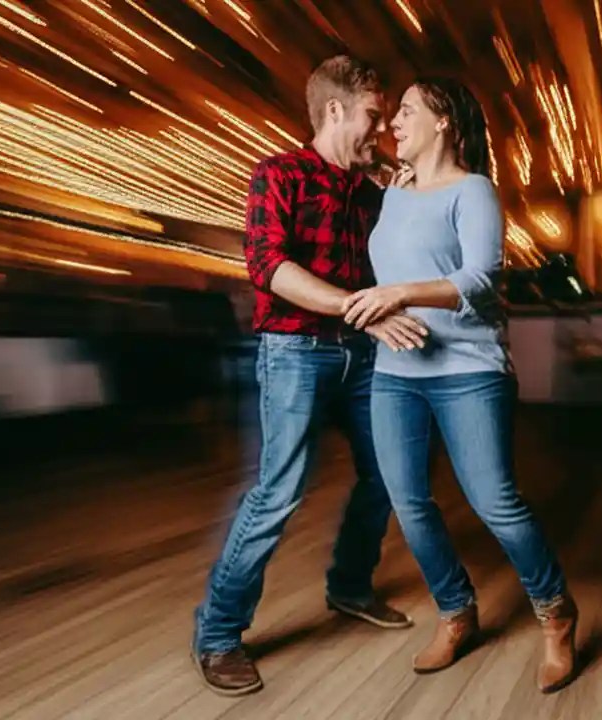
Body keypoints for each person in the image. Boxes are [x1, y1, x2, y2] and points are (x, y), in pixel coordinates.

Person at [192, 55, 430, 697]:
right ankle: (216, 634)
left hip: (363, 353)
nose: (380, 133)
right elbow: (270, 267)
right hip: (295, 350)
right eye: (374, 118)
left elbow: (413, 251)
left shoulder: (372, 191)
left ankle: (350, 585)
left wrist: (412, 188)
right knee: (280, 490)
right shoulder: (279, 174)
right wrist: (359, 309)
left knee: (387, 474)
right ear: (334, 111)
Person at [340, 78, 579, 693]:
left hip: (467, 371)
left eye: (409, 111)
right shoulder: (395, 191)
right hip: (396, 374)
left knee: (495, 500)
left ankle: (555, 613)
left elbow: (479, 278)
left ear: (443, 121)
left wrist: (402, 292)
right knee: (408, 501)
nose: (395, 122)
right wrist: (385, 310)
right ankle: (456, 611)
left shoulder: (473, 191)